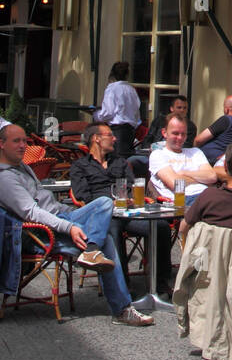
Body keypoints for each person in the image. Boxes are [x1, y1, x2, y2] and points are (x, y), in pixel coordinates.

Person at [0, 123, 154, 326]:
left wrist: (72, 216)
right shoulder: (4, 177)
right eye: (17, 141)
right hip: (41, 233)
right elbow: (32, 213)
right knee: (106, 228)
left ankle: (93, 253)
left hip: (61, 217)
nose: (23, 145)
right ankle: (120, 306)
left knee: (104, 204)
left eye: (24, 141)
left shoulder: (22, 167)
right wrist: (70, 227)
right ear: (2, 144)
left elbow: (50, 204)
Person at [71, 122, 173, 296]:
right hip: (103, 216)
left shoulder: (120, 162)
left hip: (127, 212)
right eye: (110, 135)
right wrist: (105, 205)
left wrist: (132, 199)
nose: (115, 138)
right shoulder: (80, 166)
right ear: (96, 138)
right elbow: (82, 196)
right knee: (112, 229)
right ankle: (122, 286)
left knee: (160, 226)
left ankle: (161, 281)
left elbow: (133, 186)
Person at [149, 113, 216, 203]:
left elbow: (212, 176)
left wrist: (184, 173)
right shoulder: (158, 155)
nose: (180, 138)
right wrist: (202, 180)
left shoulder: (195, 152)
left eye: (183, 134)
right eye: (175, 133)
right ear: (164, 133)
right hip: (184, 200)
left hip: (208, 195)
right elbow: (175, 184)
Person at [94, 61, 141, 158]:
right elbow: (136, 110)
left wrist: (96, 115)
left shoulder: (112, 89)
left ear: (112, 74)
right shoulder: (131, 90)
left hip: (117, 130)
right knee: (125, 160)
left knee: (115, 161)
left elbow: (107, 112)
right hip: (130, 131)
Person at [194, 94, 232, 164]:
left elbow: (198, 140)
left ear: (226, 109)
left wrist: (195, 151)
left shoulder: (226, 120)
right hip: (231, 160)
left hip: (211, 160)